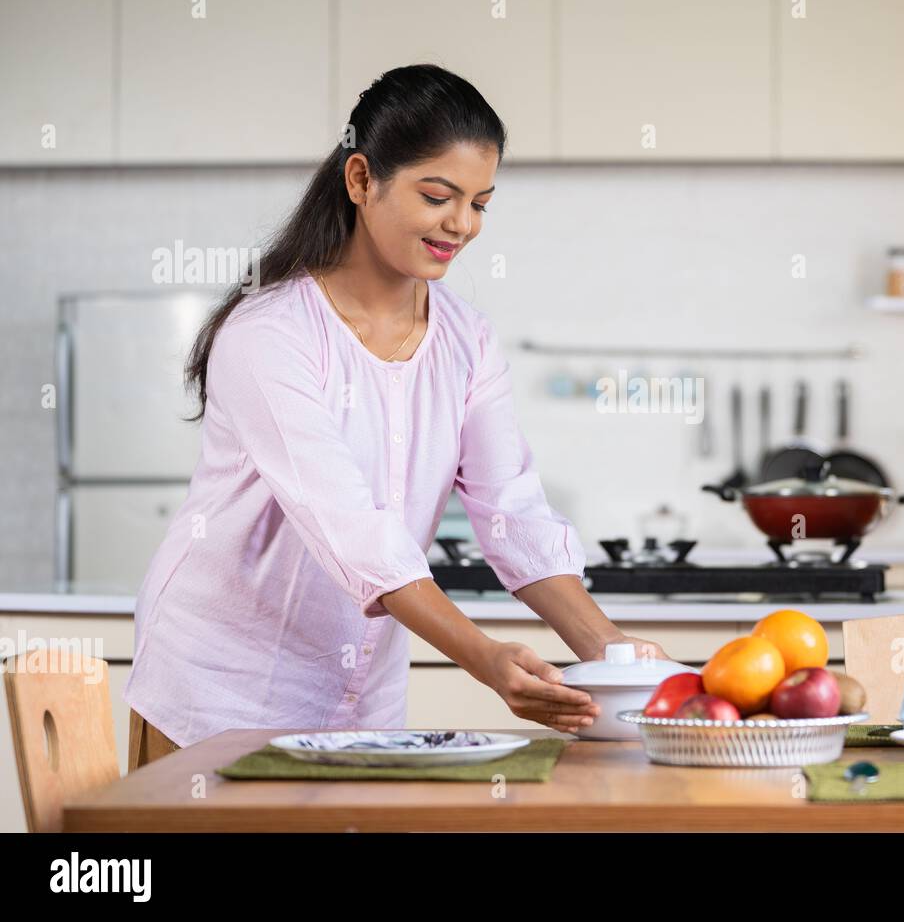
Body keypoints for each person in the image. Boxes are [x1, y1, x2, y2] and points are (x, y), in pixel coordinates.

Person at [122, 65, 667, 765]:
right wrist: (484, 658)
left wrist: (610, 651)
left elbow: (512, 513)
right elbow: (355, 529)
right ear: (360, 180)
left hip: (358, 694)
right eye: (438, 196)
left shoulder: (467, 341)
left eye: (480, 203)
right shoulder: (271, 335)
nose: (462, 225)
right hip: (219, 692)